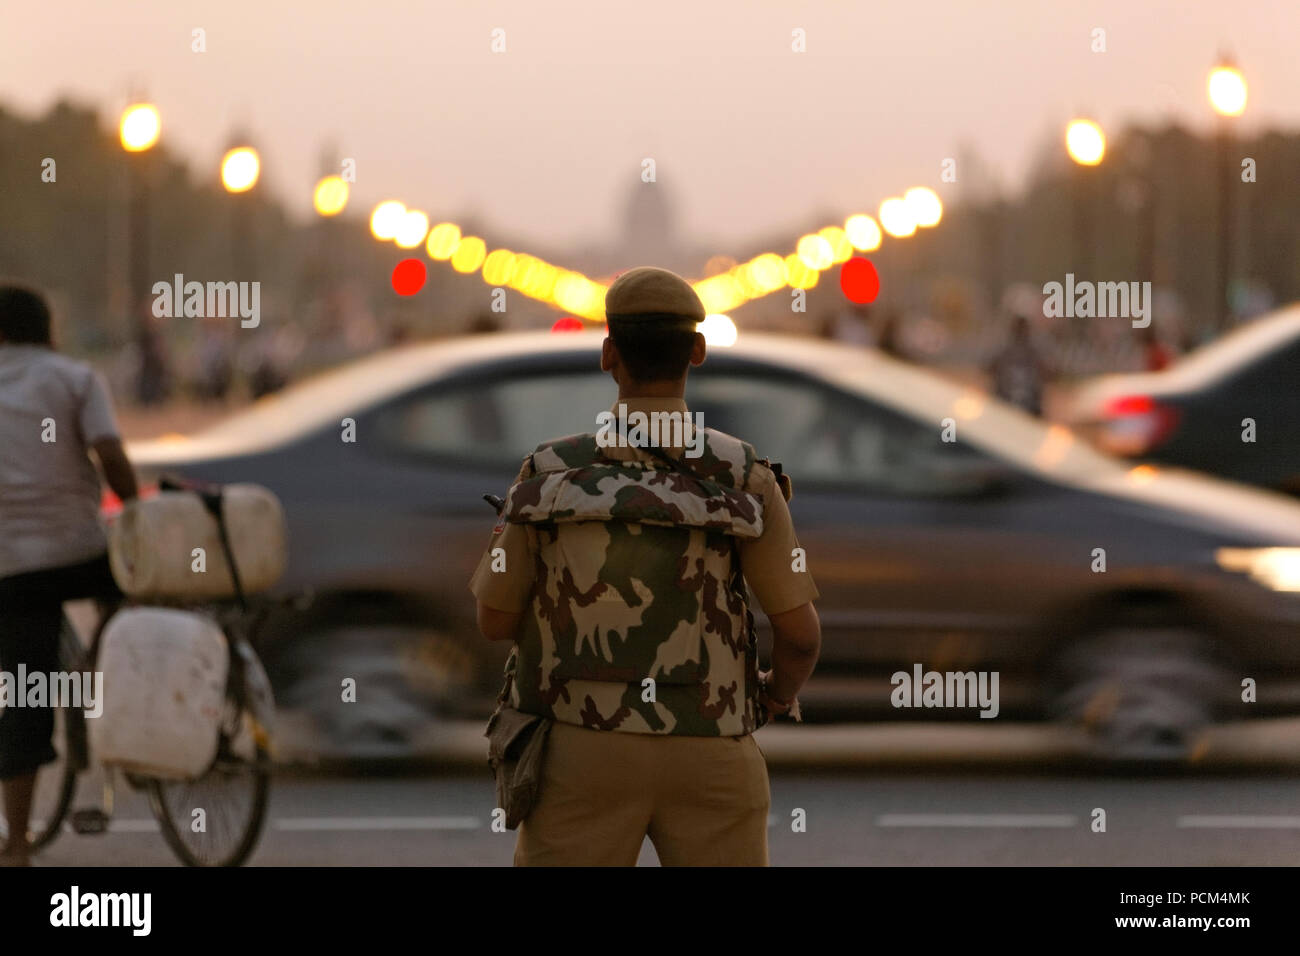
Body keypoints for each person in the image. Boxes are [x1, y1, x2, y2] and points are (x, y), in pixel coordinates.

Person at [469, 266, 822, 866]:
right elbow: (801, 635)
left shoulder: (548, 472)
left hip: (580, 750)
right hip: (712, 749)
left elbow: (494, 619)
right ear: (699, 351)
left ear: (609, 354)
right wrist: (773, 697)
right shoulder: (745, 477)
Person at [0, 285, 138, 866]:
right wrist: (135, 507)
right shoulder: (74, 378)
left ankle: (18, 843)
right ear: (46, 328)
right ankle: (124, 674)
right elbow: (109, 453)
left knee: (25, 696)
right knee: (134, 595)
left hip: (11, 569)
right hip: (80, 554)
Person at [988, 313, 1050, 415]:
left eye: (1023, 329)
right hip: (1005, 403)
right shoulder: (1004, 353)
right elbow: (990, 368)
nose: (1021, 332)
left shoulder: (1034, 355)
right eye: (1019, 329)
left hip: (1029, 405)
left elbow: (1047, 372)